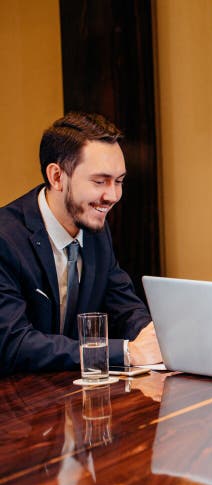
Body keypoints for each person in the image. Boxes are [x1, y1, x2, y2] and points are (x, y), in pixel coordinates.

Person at [0, 112, 162, 374]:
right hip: (15, 393)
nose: (113, 196)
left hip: (70, 390)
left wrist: (154, 338)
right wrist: (126, 352)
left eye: (119, 181)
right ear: (56, 177)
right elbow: (13, 343)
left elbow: (123, 306)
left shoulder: (95, 228)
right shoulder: (5, 238)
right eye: (100, 181)